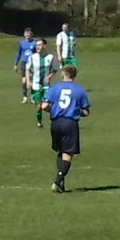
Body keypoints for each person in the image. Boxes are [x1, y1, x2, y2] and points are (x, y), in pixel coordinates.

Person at [41, 63, 89, 193]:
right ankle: (57, 180)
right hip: (70, 123)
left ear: (63, 74)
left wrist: (55, 110)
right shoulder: (79, 90)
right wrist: (75, 111)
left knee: (60, 151)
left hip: (55, 122)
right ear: (74, 75)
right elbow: (86, 112)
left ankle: (61, 183)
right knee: (68, 153)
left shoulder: (54, 88)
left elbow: (44, 106)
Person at [23, 38, 58, 129]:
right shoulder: (32, 57)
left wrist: (49, 76)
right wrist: (28, 81)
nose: (37, 47)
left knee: (46, 105)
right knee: (39, 106)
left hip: (46, 86)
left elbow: (54, 70)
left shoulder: (50, 57)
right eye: (37, 45)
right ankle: (39, 122)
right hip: (35, 86)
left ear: (44, 46)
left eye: (39, 45)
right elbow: (27, 69)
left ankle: (54, 116)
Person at [13, 28, 37, 103]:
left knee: (32, 80)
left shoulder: (35, 43)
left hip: (32, 64)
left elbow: (37, 53)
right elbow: (18, 53)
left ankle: (33, 97)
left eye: (29, 34)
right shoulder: (21, 43)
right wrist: (15, 64)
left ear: (31, 34)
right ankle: (25, 97)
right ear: (24, 34)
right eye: (26, 34)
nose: (27, 35)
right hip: (24, 63)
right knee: (24, 80)